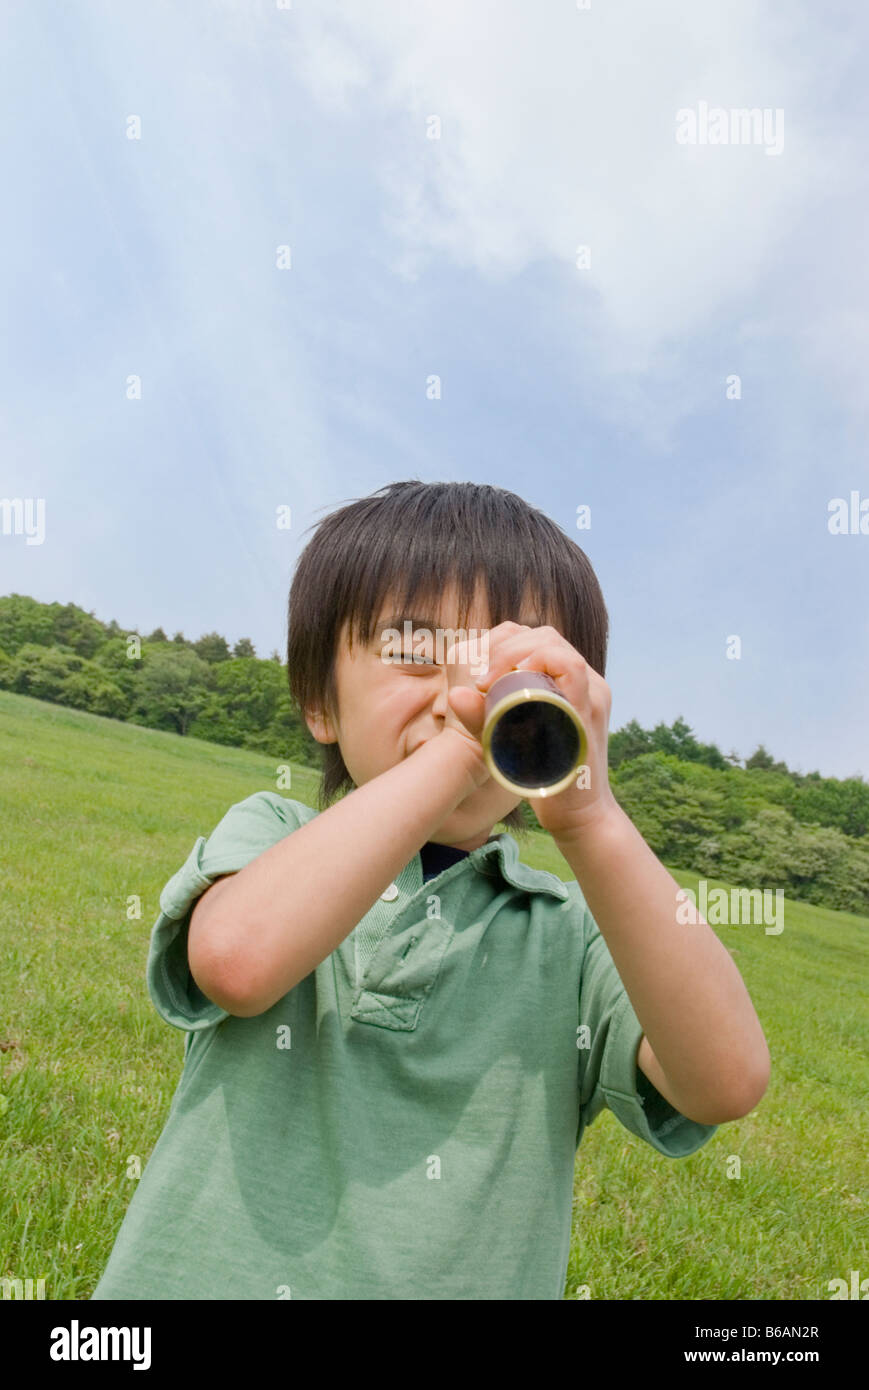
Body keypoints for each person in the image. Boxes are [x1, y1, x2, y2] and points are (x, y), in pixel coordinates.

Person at [91, 479, 769, 1300]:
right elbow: (235, 963)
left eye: (508, 670)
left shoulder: (570, 933)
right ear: (318, 703)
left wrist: (594, 822)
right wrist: (454, 745)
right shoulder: (276, 836)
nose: (465, 692)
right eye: (413, 649)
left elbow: (724, 1079)